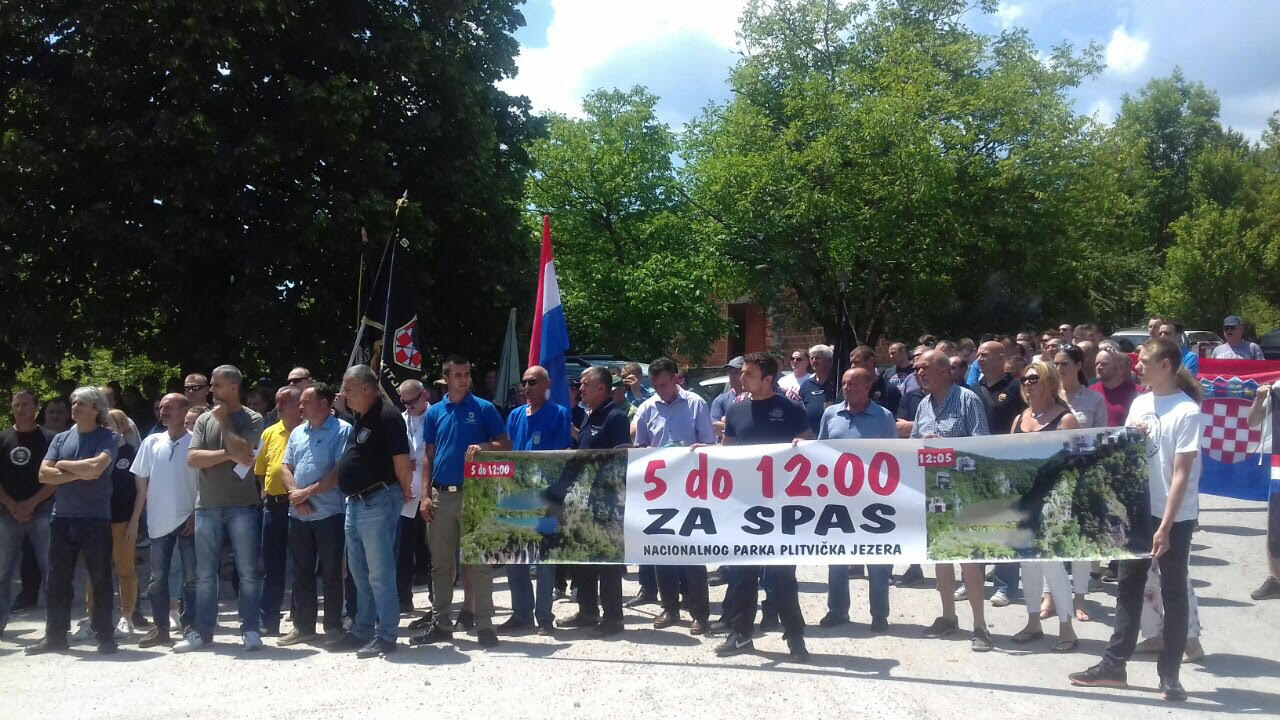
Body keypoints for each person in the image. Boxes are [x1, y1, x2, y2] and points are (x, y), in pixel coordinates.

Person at [1070, 337, 1205, 702]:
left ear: (1167, 365)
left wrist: (1165, 526)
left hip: (1173, 516)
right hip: (1136, 510)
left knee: (1173, 591)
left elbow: (1181, 473)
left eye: (1144, 360)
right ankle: (1114, 666)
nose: (1137, 366)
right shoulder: (1140, 403)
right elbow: (1126, 457)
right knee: (1128, 588)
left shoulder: (1187, 411)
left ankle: (1170, 674)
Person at [714, 352, 813, 661]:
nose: (742, 379)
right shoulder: (736, 410)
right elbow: (724, 453)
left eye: (749, 374)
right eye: (742, 373)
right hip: (744, 506)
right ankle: (741, 634)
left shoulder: (791, 409)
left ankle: (795, 638)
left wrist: (802, 447)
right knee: (743, 574)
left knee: (782, 577)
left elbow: (812, 448)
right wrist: (699, 454)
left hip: (780, 507)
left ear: (768, 379)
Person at [411, 356, 510, 649]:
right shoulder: (434, 413)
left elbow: (506, 444)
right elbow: (428, 455)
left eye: (467, 374)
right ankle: (441, 623)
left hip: (475, 494)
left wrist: (486, 446)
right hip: (441, 494)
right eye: (458, 375)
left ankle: (485, 625)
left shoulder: (484, 408)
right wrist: (425, 496)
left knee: (479, 562)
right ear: (446, 378)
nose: (464, 379)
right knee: (441, 565)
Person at [175, 365, 265, 653]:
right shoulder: (203, 421)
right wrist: (228, 453)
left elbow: (247, 451)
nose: (211, 391)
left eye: (217, 385)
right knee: (205, 573)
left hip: (243, 506)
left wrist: (224, 420)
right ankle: (202, 631)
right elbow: (193, 458)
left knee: (248, 571)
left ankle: (250, 629)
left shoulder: (252, 418)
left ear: (234, 388)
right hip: (208, 507)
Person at [911, 350, 994, 652]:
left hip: (964, 491)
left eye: (925, 368)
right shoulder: (922, 405)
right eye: (916, 369)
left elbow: (981, 446)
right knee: (941, 559)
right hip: (934, 491)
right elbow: (913, 449)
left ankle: (980, 626)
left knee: (969, 561)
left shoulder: (967, 400)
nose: (919, 373)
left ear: (945, 371)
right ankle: (948, 616)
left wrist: (946, 447)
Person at [26, 387, 119, 655]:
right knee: (57, 580)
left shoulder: (108, 436)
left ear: (96, 409)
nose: (74, 407)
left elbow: (97, 469)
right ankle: (55, 637)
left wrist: (63, 466)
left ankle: (104, 636)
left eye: (81, 403)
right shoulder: (60, 438)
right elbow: (44, 475)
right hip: (62, 519)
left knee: (100, 579)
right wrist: (78, 470)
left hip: (96, 519)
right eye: (73, 403)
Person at [328, 365, 412, 658]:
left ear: (366, 388)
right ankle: (362, 628)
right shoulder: (361, 417)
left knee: (379, 572)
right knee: (359, 572)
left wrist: (402, 493)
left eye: (347, 389)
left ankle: (387, 633)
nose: (343, 394)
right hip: (356, 502)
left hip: (378, 499)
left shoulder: (388, 417)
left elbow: (402, 461)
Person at [633, 358, 716, 634]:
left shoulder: (695, 404)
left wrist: (693, 448)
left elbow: (710, 446)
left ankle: (699, 613)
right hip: (660, 492)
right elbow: (641, 448)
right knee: (662, 552)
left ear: (676, 379)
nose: (660, 390)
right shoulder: (646, 408)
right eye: (655, 386)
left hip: (690, 490)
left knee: (692, 553)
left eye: (664, 384)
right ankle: (669, 608)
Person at [816, 367, 897, 633]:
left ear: (868, 386)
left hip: (874, 499)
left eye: (852, 384)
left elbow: (895, 457)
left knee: (876, 560)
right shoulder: (830, 414)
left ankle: (879, 614)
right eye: (844, 384)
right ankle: (838, 610)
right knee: (837, 557)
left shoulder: (884, 417)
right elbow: (819, 452)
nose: (846, 388)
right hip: (838, 499)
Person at [1009, 361, 1081, 652]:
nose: (1028, 383)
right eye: (1025, 379)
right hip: (1024, 503)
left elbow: (1077, 464)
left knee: (1053, 567)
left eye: (1035, 378)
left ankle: (1067, 627)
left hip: (1054, 503)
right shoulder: (1019, 419)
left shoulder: (1065, 420)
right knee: (1028, 565)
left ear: (1050, 382)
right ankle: (1033, 622)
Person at [499, 365, 573, 636]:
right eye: (524, 382)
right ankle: (521, 614)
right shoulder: (516, 415)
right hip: (516, 496)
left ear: (547, 384)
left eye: (532, 382)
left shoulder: (560, 414)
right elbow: (508, 451)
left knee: (543, 559)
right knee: (514, 556)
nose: (526, 387)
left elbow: (561, 454)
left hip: (545, 496)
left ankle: (544, 617)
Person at [277, 383, 351, 646]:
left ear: (324, 403)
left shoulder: (342, 430)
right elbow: (285, 466)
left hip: (329, 513)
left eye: (306, 401)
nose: (300, 406)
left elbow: (339, 471)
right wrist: (296, 496)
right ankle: (304, 627)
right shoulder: (297, 432)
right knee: (300, 572)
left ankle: (333, 626)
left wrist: (305, 494)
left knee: (332, 572)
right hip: (298, 515)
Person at [559, 365, 630, 636]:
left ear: (602, 388)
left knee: (607, 561)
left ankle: (613, 618)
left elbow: (620, 458)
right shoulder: (591, 416)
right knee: (583, 559)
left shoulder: (615, 417)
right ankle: (587, 611)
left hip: (606, 501)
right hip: (584, 499)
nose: (581, 389)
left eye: (586, 385)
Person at [132, 393, 198, 648]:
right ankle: (160, 629)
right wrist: (138, 517)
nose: (163, 412)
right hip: (158, 521)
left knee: (191, 577)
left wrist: (195, 513)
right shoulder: (151, 442)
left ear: (185, 411)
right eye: (161, 407)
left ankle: (190, 625)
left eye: (169, 407)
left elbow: (204, 482)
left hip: (187, 519)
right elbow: (141, 478)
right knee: (157, 579)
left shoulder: (196, 443)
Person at [78, 409, 145, 636]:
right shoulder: (95, 452)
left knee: (125, 569)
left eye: (110, 424)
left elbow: (140, 492)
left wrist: (135, 522)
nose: (106, 428)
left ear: (123, 427)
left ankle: (127, 617)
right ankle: (93, 618)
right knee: (95, 570)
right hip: (97, 519)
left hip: (123, 520)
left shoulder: (134, 452)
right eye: (103, 424)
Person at [968, 340, 1024, 608]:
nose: (980, 358)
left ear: (1002, 357)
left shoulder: (1016, 387)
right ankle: (973, 582)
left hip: (1006, 466)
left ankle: (1005, 585)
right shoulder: (972, 389)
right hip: (976, 467)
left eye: (985, 354)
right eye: (978, 354)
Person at [0, 391, 55, 636]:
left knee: (51, 570)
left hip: (42, 510)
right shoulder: (2, 438)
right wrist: (13, 505)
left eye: (25, 404)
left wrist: (30, 504)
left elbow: (55, 478)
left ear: (36, 407)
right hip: (6, 512)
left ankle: (55, 627)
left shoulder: (49, 438)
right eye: (16, 404)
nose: (20, 409)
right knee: (3, 571)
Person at [253, 385, 303, 636]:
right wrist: (266, 491)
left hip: (299, 505)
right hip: (273, 506)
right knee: (271, 565)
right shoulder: (268, 433)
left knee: (300, 564)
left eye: (283, 402)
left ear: (299, 405)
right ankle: (268, 619)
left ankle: (299, 619)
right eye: (276, 401)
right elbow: (260, 471)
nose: (277, 407)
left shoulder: (307, 432)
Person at [396, 379, 431, 617]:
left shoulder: (437, 415)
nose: (409, 406)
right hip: (405, 492)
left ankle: (437, 600)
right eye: (404, 402)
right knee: (402, 550)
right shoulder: (399, 419)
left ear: (424, 394)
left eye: (412, 401)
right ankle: (403, 599)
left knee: (432, 550)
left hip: (430, 489)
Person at [1244, 381, 1280, 601]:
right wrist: (1259, 398)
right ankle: (1276, 579)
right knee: (1276, 522)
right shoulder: (1277, 388)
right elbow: (1252, 421)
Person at [1092, 345, 1139, 427]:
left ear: (1120, 367)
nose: (1098, 367)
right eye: (1097, 364)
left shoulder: (1139, 394)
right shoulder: (1089, 393)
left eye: (1104, 364)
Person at [850, 345, 901, 416]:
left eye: (856, 362)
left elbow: (896, 421)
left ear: (870, 362)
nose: (852, 366)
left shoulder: (889, 390)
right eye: (851, 363)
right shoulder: (848, 388)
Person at [799, 344, 836, 435]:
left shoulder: (838, 383)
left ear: (829, 361)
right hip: (811, 436)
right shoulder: (806, 384)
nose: (814, 361)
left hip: (832, 437)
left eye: (818, 358)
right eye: (812, 358)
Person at [710, 356, 746, 440]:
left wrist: (726, 421)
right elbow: (715, 427)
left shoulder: (754, 397)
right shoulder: (720, 400)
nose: (732, 376)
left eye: (737, 372)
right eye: (730, 372)